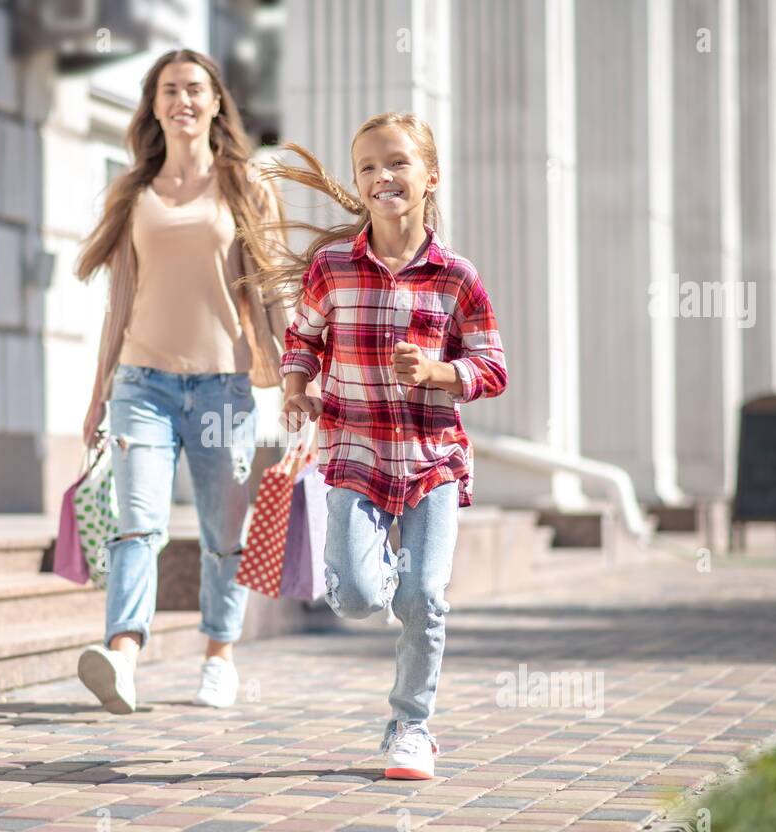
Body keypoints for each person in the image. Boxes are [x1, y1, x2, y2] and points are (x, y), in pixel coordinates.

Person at [252, 112, 508, 779]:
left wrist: (439, 372)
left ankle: (412, 726)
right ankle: (400, 593)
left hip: (433, 461)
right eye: (367, 166)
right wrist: (296, 382)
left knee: (426, 596)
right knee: (359, 596)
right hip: (356, 458)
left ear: (430, 177)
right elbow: (302, 337)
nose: (381, 176)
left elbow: (492, 366)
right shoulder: (333, 268)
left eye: (396, 162)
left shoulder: (456, 277)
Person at [73, 49, 293, 714]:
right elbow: (119, 303)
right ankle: (124, 654)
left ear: (217, 103)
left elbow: (274, 288)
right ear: (154, 105)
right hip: (142, 385)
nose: (183, 101)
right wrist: (96, 396)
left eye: (195, 89)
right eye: (170, 90)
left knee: (223, 531)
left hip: (223, 387)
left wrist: (297, 377)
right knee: (136, 522)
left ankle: (219, 655)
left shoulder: (247, 185)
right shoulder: (134, 194)